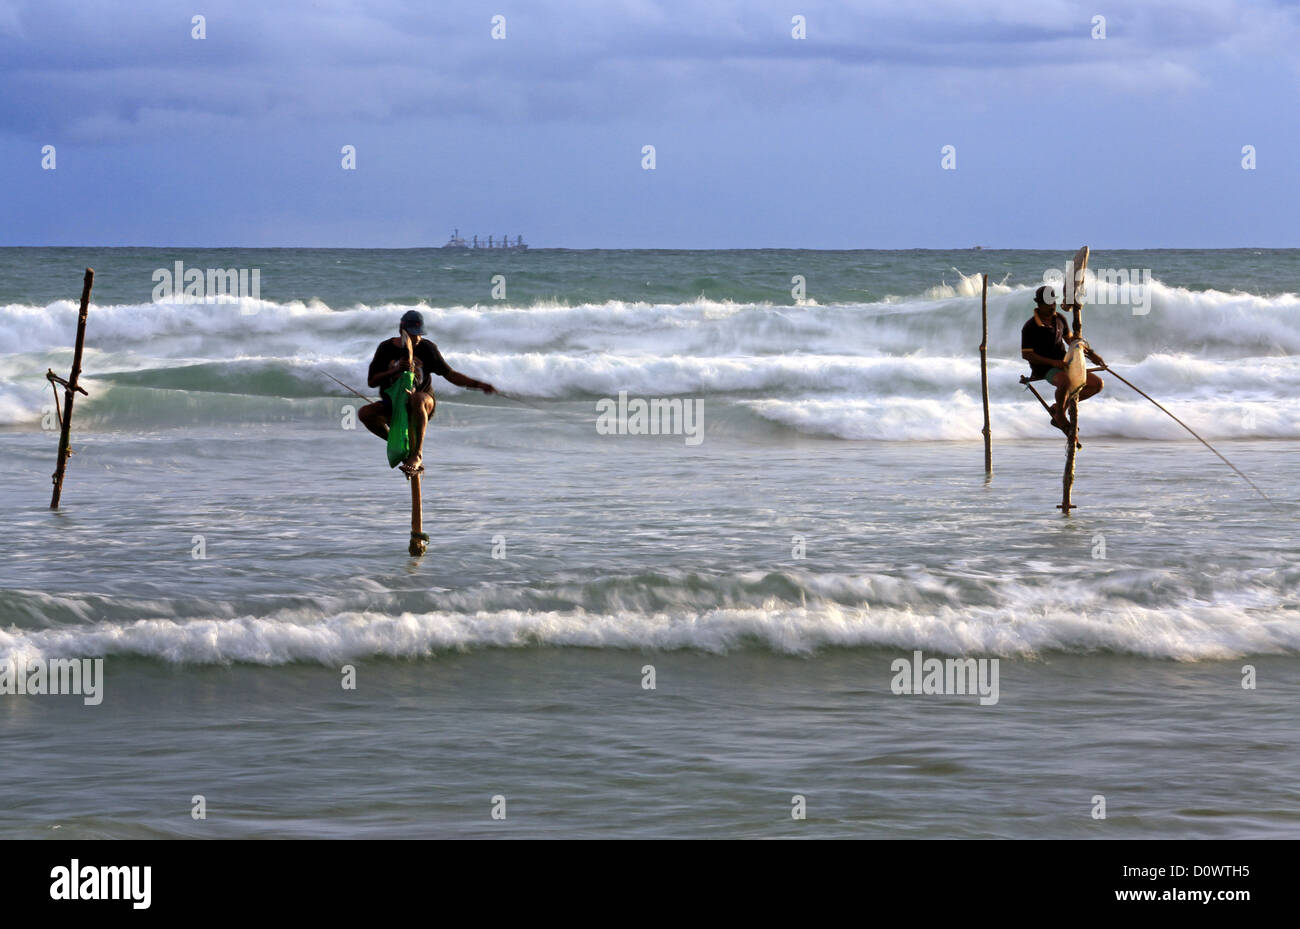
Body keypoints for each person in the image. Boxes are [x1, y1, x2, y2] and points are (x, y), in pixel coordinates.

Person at [358, 309, 495, 474]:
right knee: (365, 413)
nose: (416, 339)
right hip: (394, 405)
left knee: (417, 398)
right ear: (402, 331)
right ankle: (400, 446)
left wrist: (478, 384)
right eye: (412, 334)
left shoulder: (427, 348)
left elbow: (450, 374)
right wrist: (393, 371)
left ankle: (416, 454)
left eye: (419, 334)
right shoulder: (386, 348)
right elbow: (372, 382)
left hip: (422, 403)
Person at [1020, 284, 1104, 434]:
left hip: (1064, 363)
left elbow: (1072, 342)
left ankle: (1059, 409)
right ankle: (1060, 415)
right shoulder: (1030, 327)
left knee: (1097, 384)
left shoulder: (1059, 319)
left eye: (1053, 301)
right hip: (1044, 368)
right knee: (1065, 381)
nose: (1052, 306)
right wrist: (1053, 362)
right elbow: (1027, 354)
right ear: (1039, 304)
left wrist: (1091, 354)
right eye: (1048, 303)